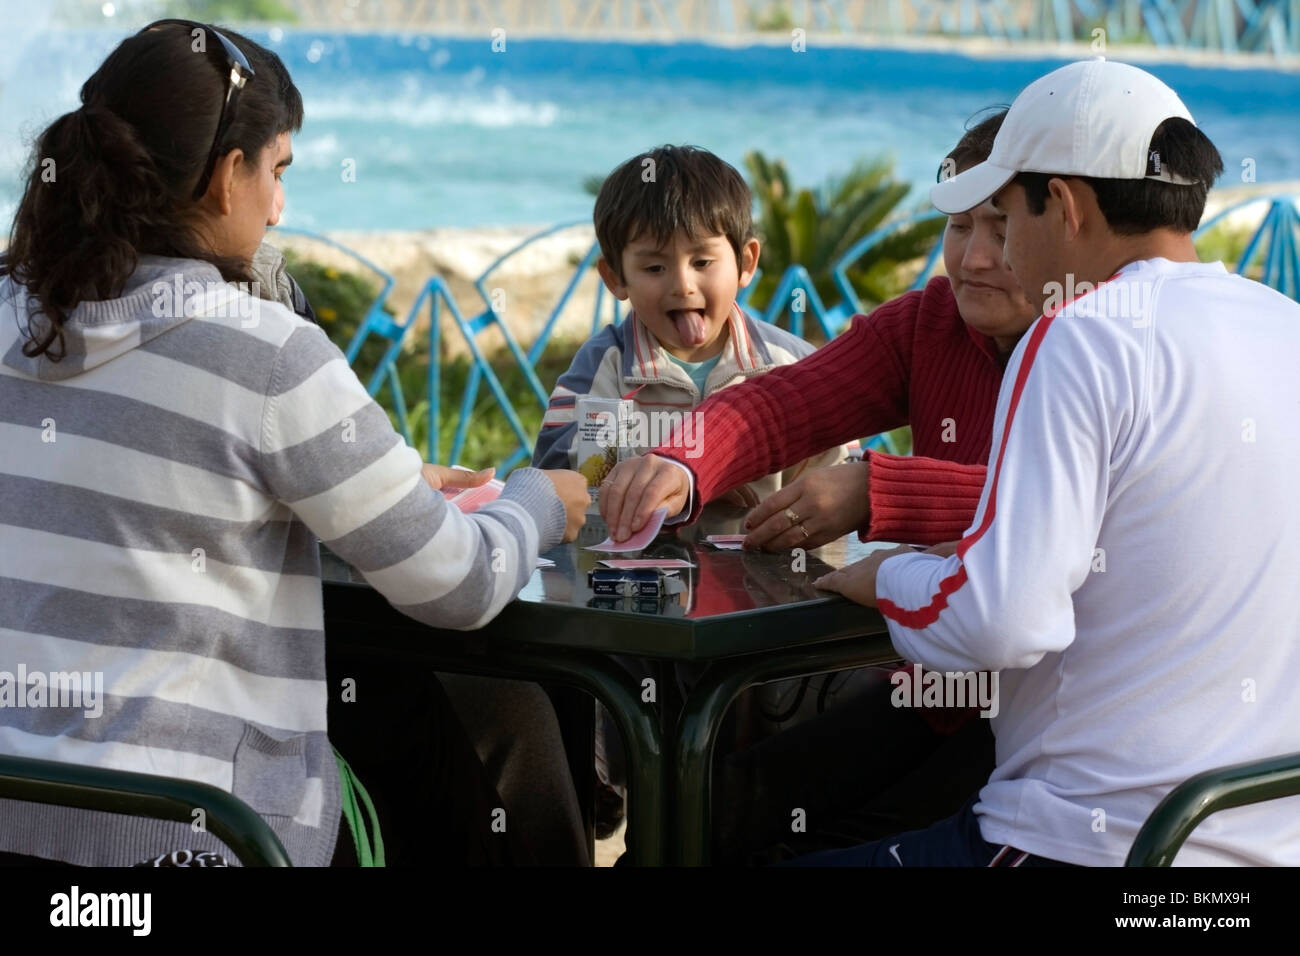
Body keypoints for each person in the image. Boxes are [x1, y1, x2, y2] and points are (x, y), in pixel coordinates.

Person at [0, 19, 589, 867]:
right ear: (223, 175)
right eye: (276, 172)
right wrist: (542, 500)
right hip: (198, 840)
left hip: (20, 823)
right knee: (479, 727)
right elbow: (458, 582)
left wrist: (369, 477)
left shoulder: (16, 315)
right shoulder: (265, 350)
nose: (279, 207)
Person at [805, 58, 1300, 865]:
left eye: (1004, 217)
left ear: (1063, 206)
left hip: (1086, 848)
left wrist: (887, 578)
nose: (993, 249)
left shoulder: (1080, 334)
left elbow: (1001, 619)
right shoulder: (1284, 326)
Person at [595, 112, 1038, 862]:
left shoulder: (1097, 344)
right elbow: (785, 401)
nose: (974, 257)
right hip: (936, 692)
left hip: (1037, 723)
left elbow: (1063, 502)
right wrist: (681, 464)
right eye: (959, 227)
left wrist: (877, 487)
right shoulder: (928, 323)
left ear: (1066, 225)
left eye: (999, 227)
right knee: (700, 812)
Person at [532, 144, 848, 831]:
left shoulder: (789, 369)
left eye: (704, 261)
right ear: (614, 276)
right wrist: (610, 483)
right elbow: (559, 479)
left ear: (748, 262)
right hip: (635, 602)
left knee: (744, 756)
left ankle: (734, 815)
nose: (682, 285)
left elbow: (830, 499)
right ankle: (601, 782)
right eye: (653, 266)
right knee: (605, 684)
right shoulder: (602, 368)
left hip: (757, 611)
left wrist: (772, 512)